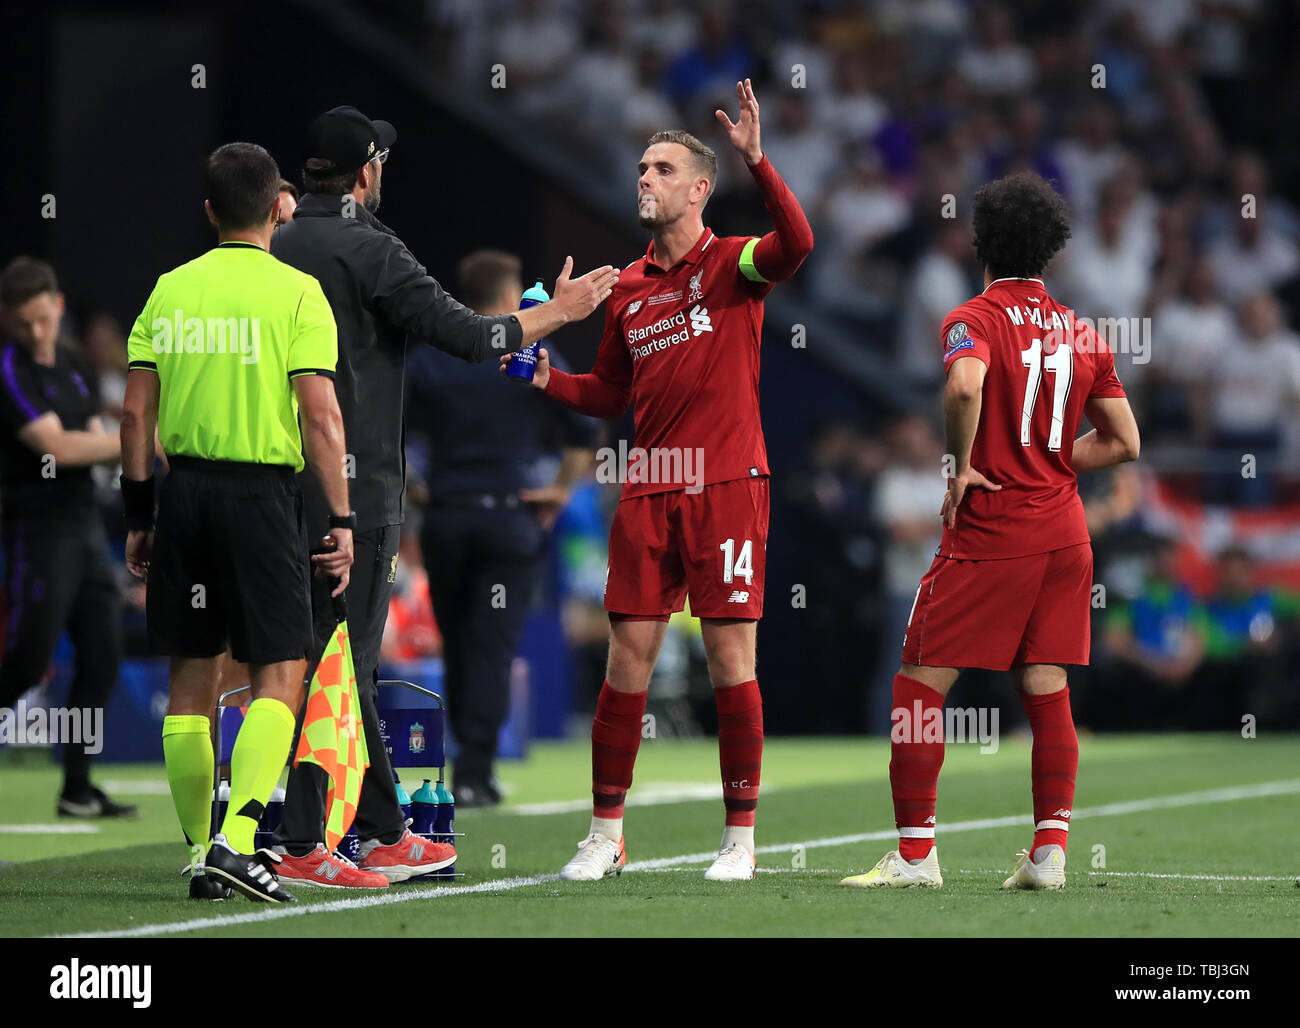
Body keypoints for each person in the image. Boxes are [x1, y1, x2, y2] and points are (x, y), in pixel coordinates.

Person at [269, 105, 617, 888]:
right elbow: (467, 337)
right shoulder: (368, 245)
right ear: (365, 172)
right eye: (381, 160)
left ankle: (366, 827)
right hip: (354, 486)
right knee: (344, 662)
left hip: (271, 479)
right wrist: (556, 314)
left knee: (300, 658)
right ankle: (306, 836)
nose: (384, 171)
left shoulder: (279, 242)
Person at [504, 80, 814, 881]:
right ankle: (606, 834)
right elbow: (610, 394)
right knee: (626, 659)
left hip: (729, 487)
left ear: (699, 189)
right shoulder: (628, 290)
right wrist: (542, 379)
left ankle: (739, 839)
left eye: (662, 168)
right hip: (647, 488)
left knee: (728, 660)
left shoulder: (735, 261)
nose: (644, 178)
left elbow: (800, 244)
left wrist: (760, 160)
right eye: (641, 167)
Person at [841, 171, 1140, 892]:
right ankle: (1049, 856)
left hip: (994, 528)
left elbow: (965, 385)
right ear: (1052, 254)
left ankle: (916, 858)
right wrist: (1049, 456)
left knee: (917, 684)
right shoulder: (1083, 331)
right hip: (1065, 532)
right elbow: (1125, 442)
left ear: (982, 244)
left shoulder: (970, 318)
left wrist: (960, 464)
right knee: (1046, 683)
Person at [121, 141, 353, 902]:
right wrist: (343, 517)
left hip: (183, 495)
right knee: (278, 675)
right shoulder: (296, 294)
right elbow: (320, 418)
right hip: (260, 499)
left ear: (210, 210)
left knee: (191, 683)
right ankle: (240, 841)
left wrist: (140, 513)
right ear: (275, 208)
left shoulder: (168, 290)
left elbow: (134, 413)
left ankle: (198, 854)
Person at [407, 249, 598, 806]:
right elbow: (584, 423)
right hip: (509, 518)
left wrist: (414, 486)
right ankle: (474, 772)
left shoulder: (435, 352)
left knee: (458, 644)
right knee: (492, 647)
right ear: (509, 293)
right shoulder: (527, 346)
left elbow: (384, 426)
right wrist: (561, 488)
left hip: (445, 516)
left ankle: (460, 762)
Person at [0, 257, 136, 819]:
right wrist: (136, 442)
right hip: (37, 533)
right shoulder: (9, 370)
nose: (35, 332)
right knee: (28, 663)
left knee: (103, 654)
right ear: (6, 319)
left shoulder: (78, 364)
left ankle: (77, 787)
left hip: (82, 529)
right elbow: (59, 448)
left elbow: (92, 435)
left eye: (43, 319)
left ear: (57, 307)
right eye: (22, 322)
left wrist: (105, 438)